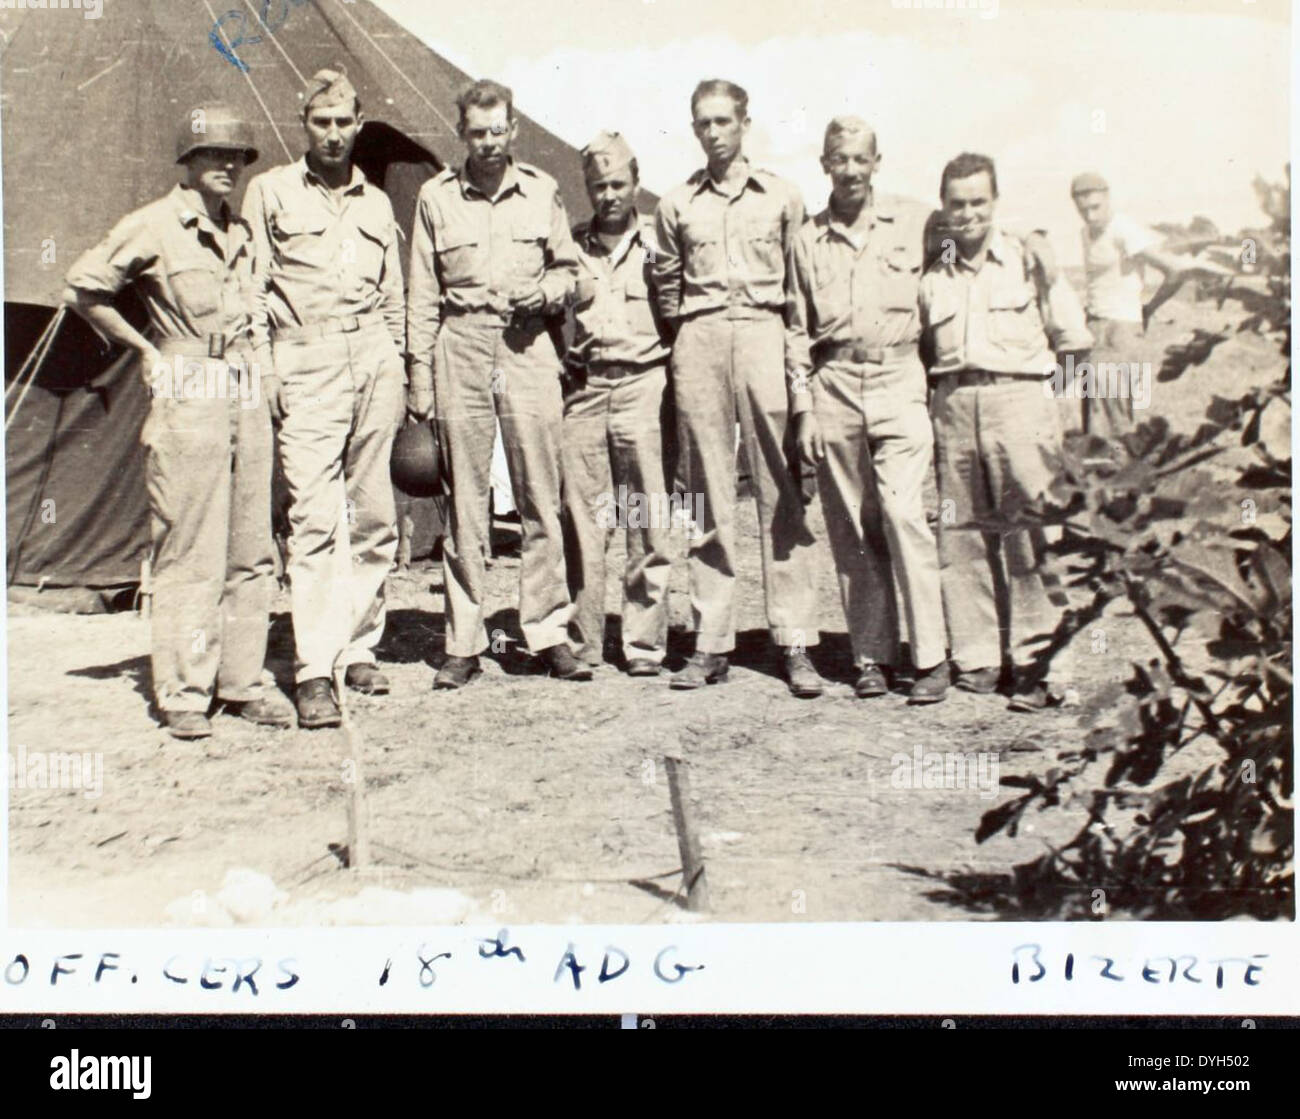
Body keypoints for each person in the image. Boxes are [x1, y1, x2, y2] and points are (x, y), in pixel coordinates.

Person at [63, 105, 292, 740]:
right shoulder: (155, 226)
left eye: (237, 157)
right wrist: (145, 350)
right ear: (186, 164)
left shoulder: (241, 231)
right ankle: (186, 691)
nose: (227, 166)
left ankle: (242, 681)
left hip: (244, 381)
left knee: (251, 547)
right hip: (190, 381)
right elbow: (83, 287)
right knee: (191, 547)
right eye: (212, 155)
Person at [406, 79, 588, 689]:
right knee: (465, 501)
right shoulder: (435, 198)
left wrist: (550, 291)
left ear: (513, 131)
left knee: (540, 491)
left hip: (527, 345)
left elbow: (570, 269)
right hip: (460, 345)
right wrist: (419, 379)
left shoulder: (542, 191)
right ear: (461, 135)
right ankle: (463, 640)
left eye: (497, 131)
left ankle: (547, 630)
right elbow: (422, 293)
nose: (487, 144)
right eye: (476, 133)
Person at [242, 67, 407, 729]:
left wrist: (395, 361)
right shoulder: (272, 192)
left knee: (373, 515)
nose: (333, 135)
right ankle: (315, 667)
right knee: (314, 517)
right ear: (303, 124)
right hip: (303, 356)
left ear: (358, 124)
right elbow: (250, 290)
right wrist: (267, 368)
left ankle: (360, 645)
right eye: (321, 122)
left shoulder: (376, 202)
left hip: (371, 356)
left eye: (344, 122)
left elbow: (393, 295)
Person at [652, 79, 823, 697]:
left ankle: (796, 640)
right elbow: (669, 291)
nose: (714, 132)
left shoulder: (781, 197)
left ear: (745, 123)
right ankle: (711, 641)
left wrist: (795, 371)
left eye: (725, 120)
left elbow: (800, 293)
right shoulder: (676, 205)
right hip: (699, 338)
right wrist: (694, 335)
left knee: (782, 489)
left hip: (764, 333)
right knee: (704, 490)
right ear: (694, 129)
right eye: (703, 123)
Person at [919, 153, 1092, 712]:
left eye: (978, 202)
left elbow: (1072, 340)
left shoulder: (1026, 256)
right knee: (961, 535)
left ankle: (1044, 667)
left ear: (995, 202)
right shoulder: (934, 267)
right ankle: (979, 660)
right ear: (942, 207)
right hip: (953, 402)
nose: (967, 214)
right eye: (956, 204)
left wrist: (1054, 414)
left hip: (1021, 400)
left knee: (1032, 537)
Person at [787, 117, 948, 704]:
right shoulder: (807, 239)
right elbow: (796, 331)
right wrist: (803, 407)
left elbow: (945, 292)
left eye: (860, 159)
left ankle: (931, 657)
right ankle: (872, 657)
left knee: (905, 516)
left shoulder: (916, 222)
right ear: (824, 163)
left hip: (899, 374)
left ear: (877, 162)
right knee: (854, 527)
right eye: (839, 159)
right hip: (835, 383)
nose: (850, 170)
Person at [561, 131, 674, 675]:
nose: (608, 194)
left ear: (636, 183)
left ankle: (644, 644)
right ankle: (583, 642)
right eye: (598, 185)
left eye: (618, 184)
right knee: (584, 521)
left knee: (646, 515)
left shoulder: (658, 244)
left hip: (641, 385)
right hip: (585, 391)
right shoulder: (570, 246)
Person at [1070, 171, 1227, 435]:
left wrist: (1149, 308)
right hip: (1095, 326)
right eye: (1083, 209)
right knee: (1094, 409)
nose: (1090, 215)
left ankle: (1118, 470)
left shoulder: (1123, 229)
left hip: (1121, 329)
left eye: (1095, 207)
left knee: (1114, 409)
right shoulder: (1085, 233)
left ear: (1108, 198)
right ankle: (1099, 469)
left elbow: (1175, 270)